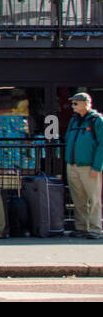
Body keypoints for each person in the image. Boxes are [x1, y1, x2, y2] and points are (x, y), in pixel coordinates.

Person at [65, 92, 103, 238]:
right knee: (78, 199)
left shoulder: (97, 120)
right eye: (73, 103)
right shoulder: (74, 120)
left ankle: (95, 229)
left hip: (89, 166)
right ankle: (81, 227)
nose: (73, 106)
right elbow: (69, 138)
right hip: (73, 165)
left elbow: (101, 145)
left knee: (94, 199)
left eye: (76, 103)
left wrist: (97, 167)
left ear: (86, 103)